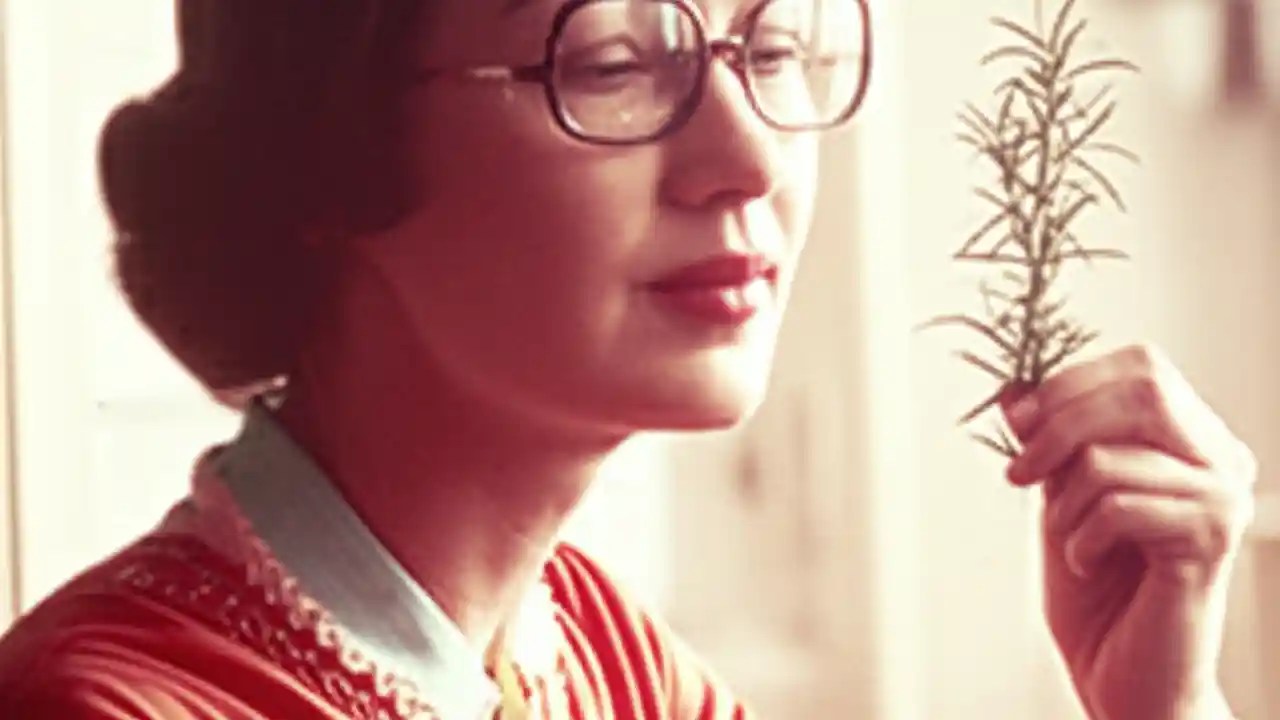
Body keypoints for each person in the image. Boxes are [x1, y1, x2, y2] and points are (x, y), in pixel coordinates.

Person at [0, 0, 1256, 718]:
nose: (751, 157)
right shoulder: (117, 706)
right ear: (325, 152)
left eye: (770, 51)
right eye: (608, 64)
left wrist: (1159, 705)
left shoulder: (610, 660)